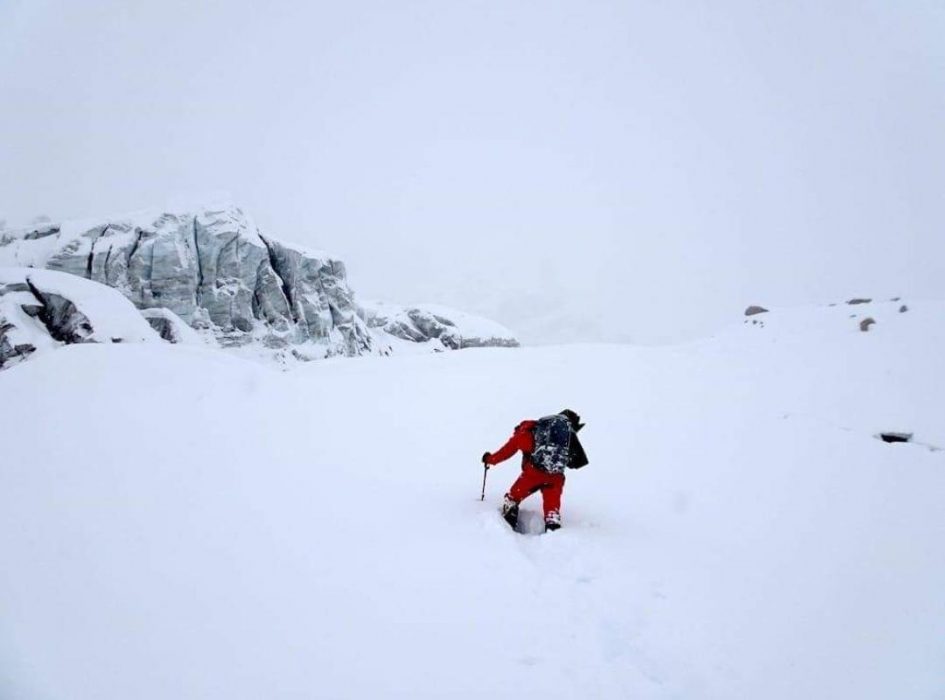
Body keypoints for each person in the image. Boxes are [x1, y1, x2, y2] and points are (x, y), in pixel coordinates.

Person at [482, 409, 587, 532]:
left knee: (512, 499)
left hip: (534, 474)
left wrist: (489, 459)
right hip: (555, 477)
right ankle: (554, 532)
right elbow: (577, 462)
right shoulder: (564, 437)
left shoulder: (526, 432)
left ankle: (507, 530)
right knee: (552, 511)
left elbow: (506, 452)